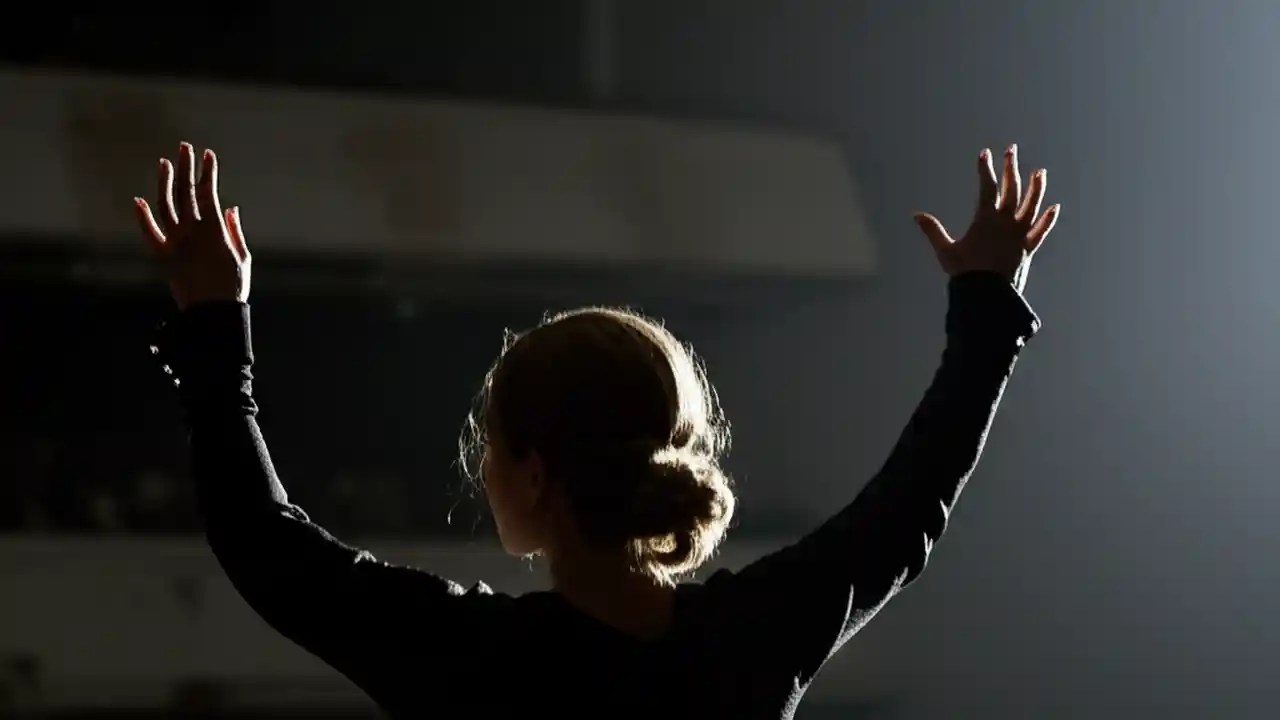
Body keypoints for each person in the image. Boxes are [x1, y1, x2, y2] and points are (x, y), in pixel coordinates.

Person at [133, 141, 1059, 719]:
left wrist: (218, 329)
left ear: (535, 476)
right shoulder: (752, 640)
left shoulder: (476, 664)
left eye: (490, 447)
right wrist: (985, 310)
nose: (482, 468)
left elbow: (262, 542)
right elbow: (913, 504)